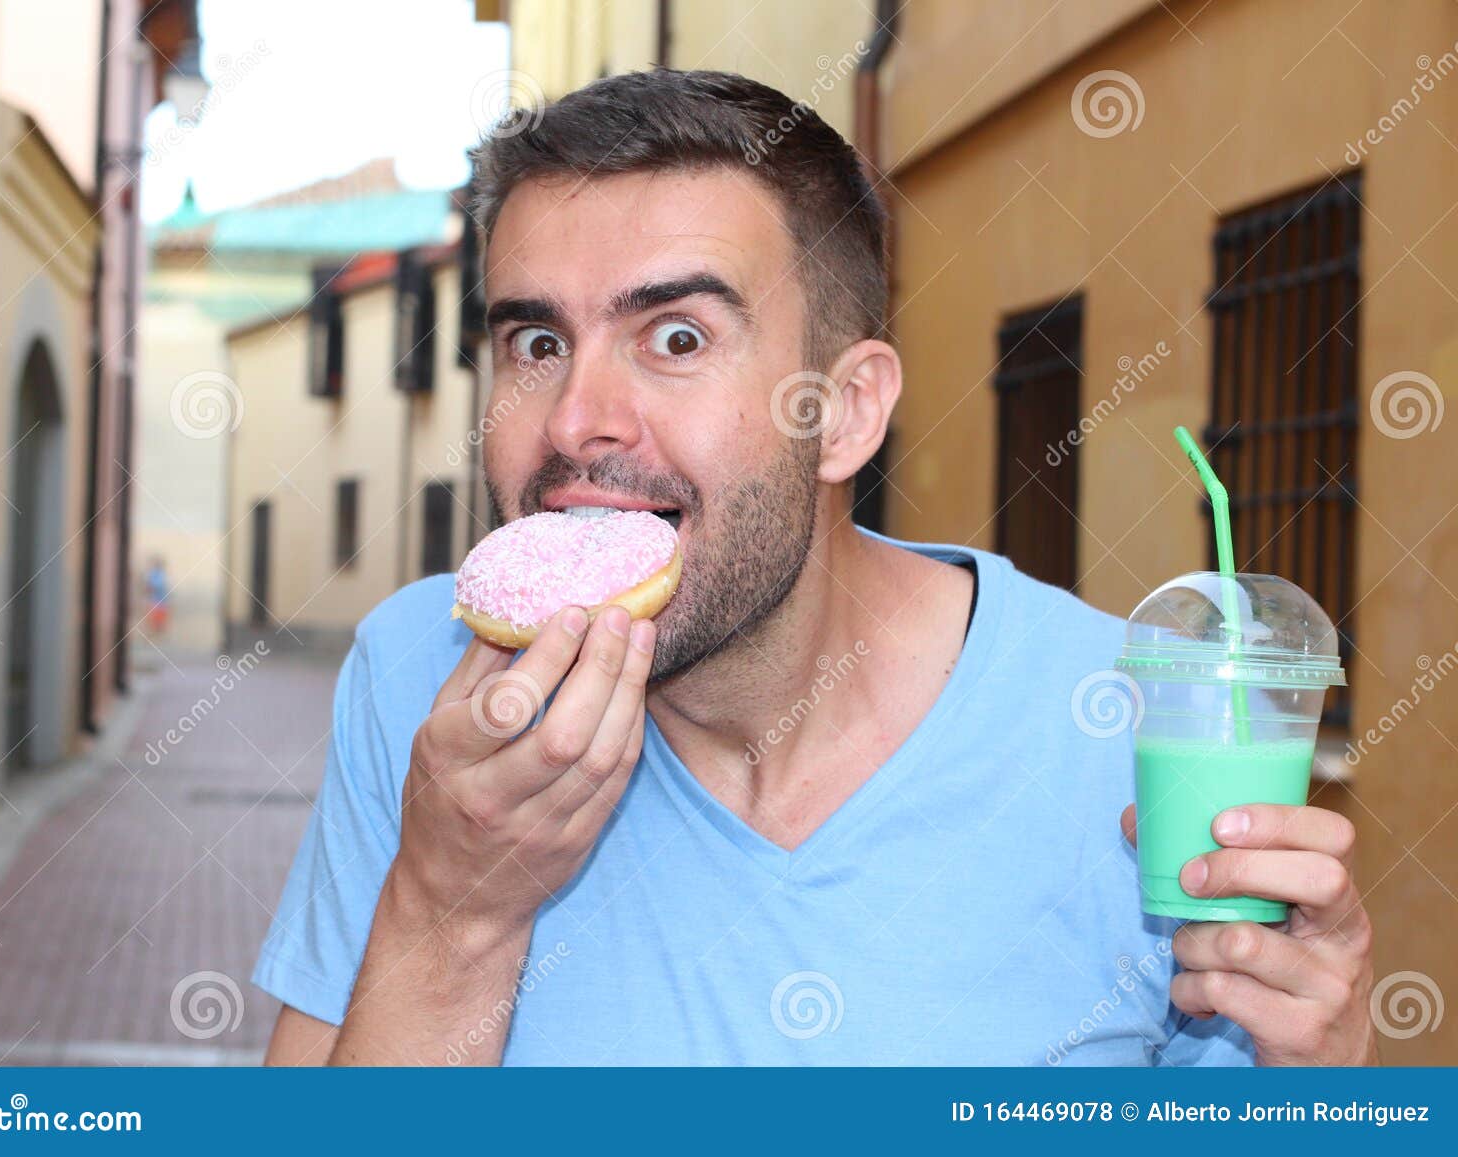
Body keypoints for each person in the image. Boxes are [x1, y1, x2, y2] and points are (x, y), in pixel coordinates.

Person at [253, 69, 1376, 1066]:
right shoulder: (423, 677)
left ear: (843, 413)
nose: (578, 419)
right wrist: (452, 911)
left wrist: (1312, 1088)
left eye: (677, 338)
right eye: (535, 343)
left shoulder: (1127, 727)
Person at [144, 556, 171, 637]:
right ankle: (155, 631)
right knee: (154, 616)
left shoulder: (162, 574)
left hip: (161, 600)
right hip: (154, 600)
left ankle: (159, 631)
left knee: (160, 616)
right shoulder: (153, 573)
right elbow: (149, 585)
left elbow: (161, 585)